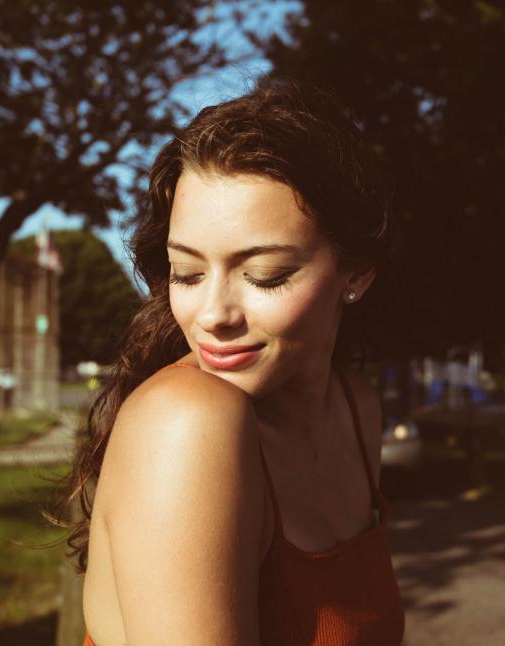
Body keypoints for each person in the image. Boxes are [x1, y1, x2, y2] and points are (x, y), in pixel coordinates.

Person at [63, 80, 405, 645]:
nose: (213, 315)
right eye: (187, 273)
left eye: (264, 276)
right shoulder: (187, 422)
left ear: (357, 273)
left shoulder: (355, 407)